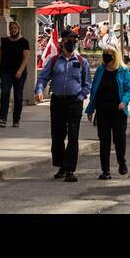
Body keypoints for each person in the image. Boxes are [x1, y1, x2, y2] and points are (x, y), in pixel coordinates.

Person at [34, 31, 90, 183]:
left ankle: (70, 169)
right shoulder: (54, 61)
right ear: (62, 42)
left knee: (73, 137)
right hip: (57, 102)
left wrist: (80, 97)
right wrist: (39, 90)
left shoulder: (81, 61)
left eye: (74, 40)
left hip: (74, 102)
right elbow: (43, 77)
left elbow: (87, 84)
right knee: (57, 137)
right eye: (68, 40)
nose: (71, 43)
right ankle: (61, 165)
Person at [86, 47, 130, 180]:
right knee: (104, 141)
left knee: (119, 139)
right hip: (103, 111)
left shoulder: (123, 71)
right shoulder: (101, 70)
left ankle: (121, 161)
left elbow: (129, 89)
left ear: (115, 56)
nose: (106, 58)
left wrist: (124, 102)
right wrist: (90, 109)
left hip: (118, 111)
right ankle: (105, 170)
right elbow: (94, 90)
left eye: (109, 55)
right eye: (105, 55)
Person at [0, 20, 31, 128]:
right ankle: (2, 118)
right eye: (11, 28)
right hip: (6, 71)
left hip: (19, 72)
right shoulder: (5, 41)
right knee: (5, 93)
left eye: (15, 28)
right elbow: (0, 56)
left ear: (18, 29)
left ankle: (16, 120)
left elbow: (26, 59)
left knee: (18, 96)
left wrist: (20, 71)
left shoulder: (24, 42)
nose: (13, 30)